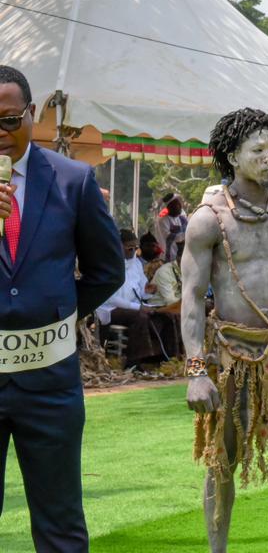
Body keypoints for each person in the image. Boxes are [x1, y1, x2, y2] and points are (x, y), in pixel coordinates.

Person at [0, 64, 124, 551]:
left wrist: (58, 313)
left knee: (60, 527)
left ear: (32, 114)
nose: (1, 134)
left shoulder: (73, 180)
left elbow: (107, 270)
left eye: (10, 120)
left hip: (50, 384)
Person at [181, 109, 268, 553]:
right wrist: (197, 370)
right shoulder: (208, 220)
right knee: (222, 462)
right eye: (258, 150)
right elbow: (192, 298)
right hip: (232, 362)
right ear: (232, 157)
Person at [98, 229, 177, 367]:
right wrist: (139, 307)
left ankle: (164, 358)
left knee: (167, 314)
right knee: (140, 316)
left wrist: (149, 292)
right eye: (129, 248)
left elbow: (141, 292)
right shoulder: (106, 265)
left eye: (136, 248)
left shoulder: (136, 263)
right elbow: (111, 298)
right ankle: (134, 362)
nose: (133, 251)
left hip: (134, 306)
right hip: (110, 309)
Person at [154, 191, 188, 262]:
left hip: (182, 258)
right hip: (167, 258)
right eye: (177, 204)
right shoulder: (162, 221)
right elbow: (169, 237)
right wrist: (186, 235)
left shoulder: (182, 219)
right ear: (169, 206)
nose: (180, 206)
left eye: (179, 203)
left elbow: (188, 231)